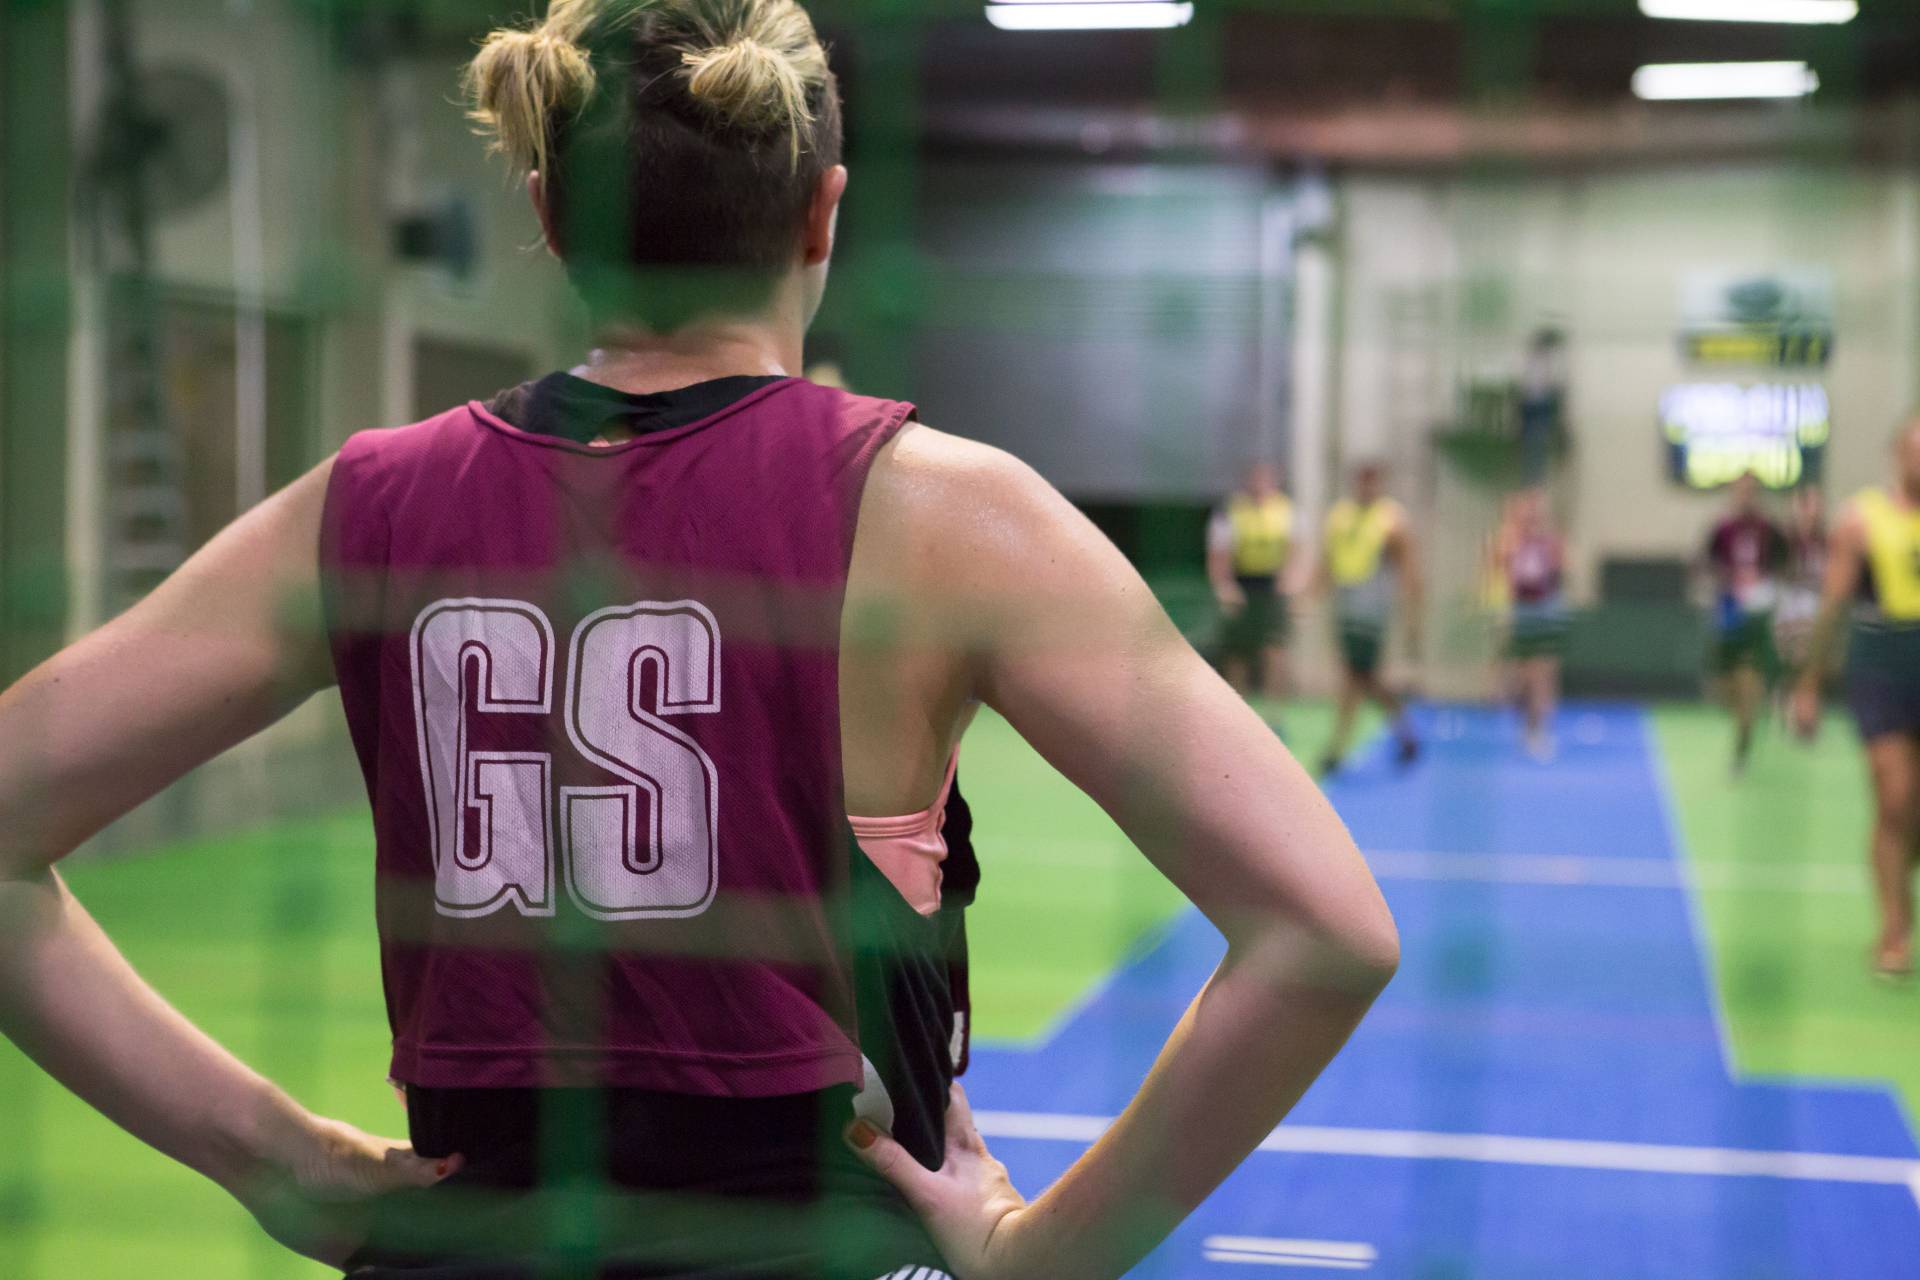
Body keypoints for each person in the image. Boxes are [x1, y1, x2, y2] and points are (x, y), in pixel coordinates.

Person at [0, 2, 1400, 1278]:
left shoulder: (368, 504)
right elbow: (1324, 932)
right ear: (822, 215)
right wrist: (1046, 1258)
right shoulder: (949, 519)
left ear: (551, 215)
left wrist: (279, 1162)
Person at [1792, 418, 1920, 980]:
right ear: (1897, 454)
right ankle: (1895, 927)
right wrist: (1808, 684)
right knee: (1895, 799)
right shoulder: (1861, 519)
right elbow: (1833, 606)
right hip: (1883, 672)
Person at [1318, 462, 1423, 776]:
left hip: (1373, 609)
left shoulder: (1391, 520)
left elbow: (1408, 568)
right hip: (1347, 607)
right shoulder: (1340, 516)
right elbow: (1328, 561)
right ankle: (1405, 733)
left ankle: (1337, 748)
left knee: (1356, 676)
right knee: (1363, 677)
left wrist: (1412, 614)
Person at [1703, 473, 1790, 775]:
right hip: (1729, 611)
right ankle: (1743, 712)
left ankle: (1743, 744)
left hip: (1759, 611)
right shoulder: (1723, 529)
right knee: (1725, 686)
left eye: (1751, 491)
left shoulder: (1769, 530)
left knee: (1749, 678)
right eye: (1740, 491)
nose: (1746, 497)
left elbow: (1785, 563)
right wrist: (1730, 581)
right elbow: (1707, 563)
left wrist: (1765, 585)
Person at [1207, 461, 1300, 702]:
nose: (1260, 485)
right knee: (1238, 652)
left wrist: (1291, 580)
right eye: (1256, 478)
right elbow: (1219, 554)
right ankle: (1239, 708)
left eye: (1265, 478)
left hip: (1273, 585)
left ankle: (1274, 716)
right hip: (1242, 584)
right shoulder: (1231, 510)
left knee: (1275, 649)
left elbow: (1296, 549)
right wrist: (1225, 587)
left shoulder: (1286, 509)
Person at [1491, 487, 1569, 762]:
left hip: (1544, 614)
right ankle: (1527, 723)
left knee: (1542, 674)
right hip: (1521, 615)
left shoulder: (1550, 543)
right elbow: (1501, 578)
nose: (1532, 519)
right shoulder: (1509, 542)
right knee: (1523, 677)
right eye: (1526, 514)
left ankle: (1539, 729)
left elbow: (1560, 574)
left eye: (1536, 514)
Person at [1774, 486, 1830, 680]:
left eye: (1816, 505)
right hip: (1789, 598)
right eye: (1807, 506)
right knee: (1786, 645)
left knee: (1806, 647)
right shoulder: (1786, 538)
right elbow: (1777, 571)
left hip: (1814, 600)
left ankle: (1804, 688)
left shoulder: (1825, 540)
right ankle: (1784, 687)